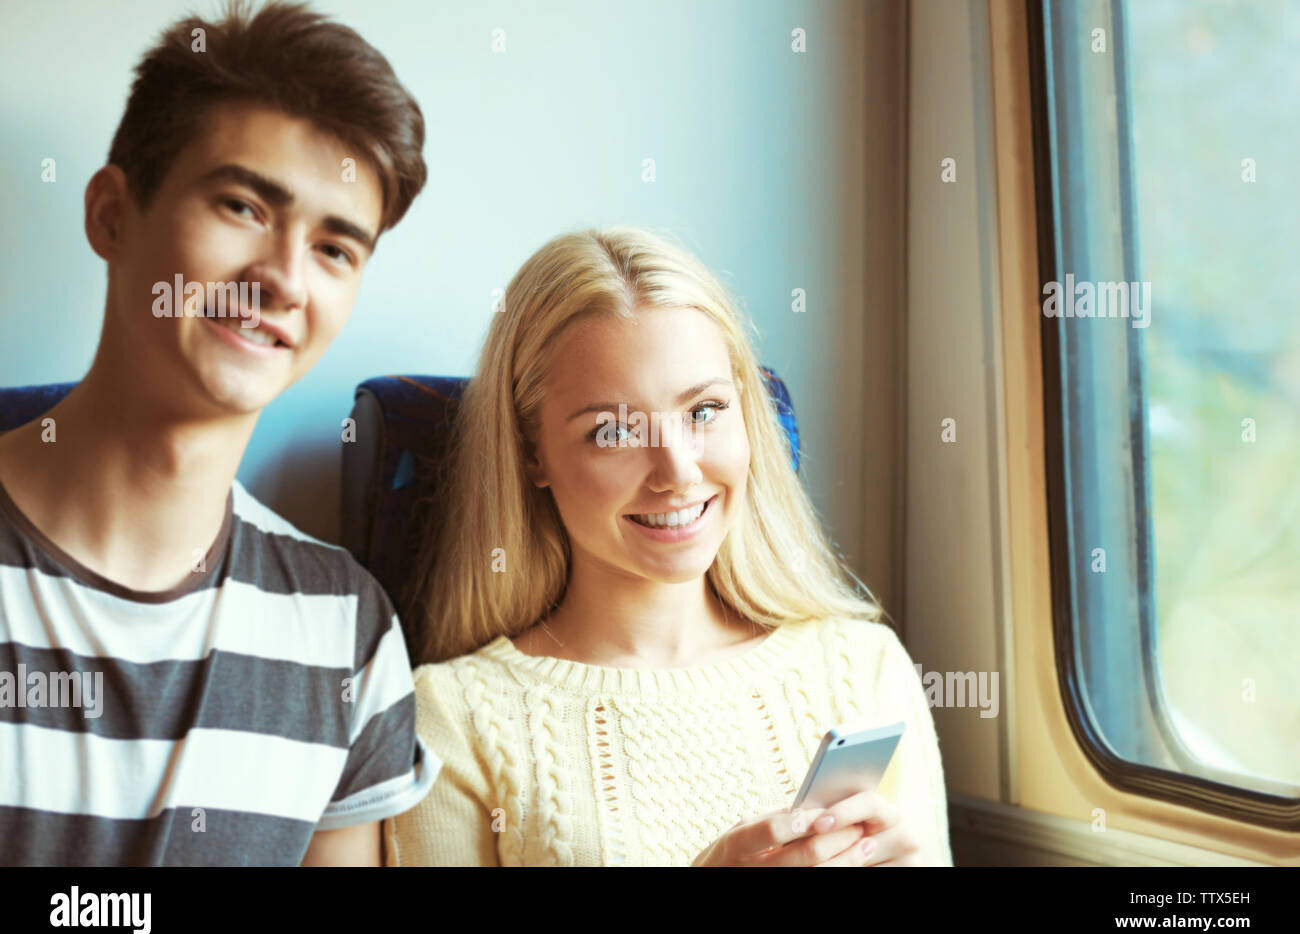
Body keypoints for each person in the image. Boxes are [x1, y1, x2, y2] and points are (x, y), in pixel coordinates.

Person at [0, 0, 437, 865]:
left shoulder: (349, 631)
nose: (282, 278)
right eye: (242, 206)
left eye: (336, 249)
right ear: (112, 216)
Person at [385, 226, 953, 866]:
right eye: (613, 431)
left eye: (704, 411)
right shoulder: (453, 719)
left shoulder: (863, 668)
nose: (678, 470)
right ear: (531, 453)